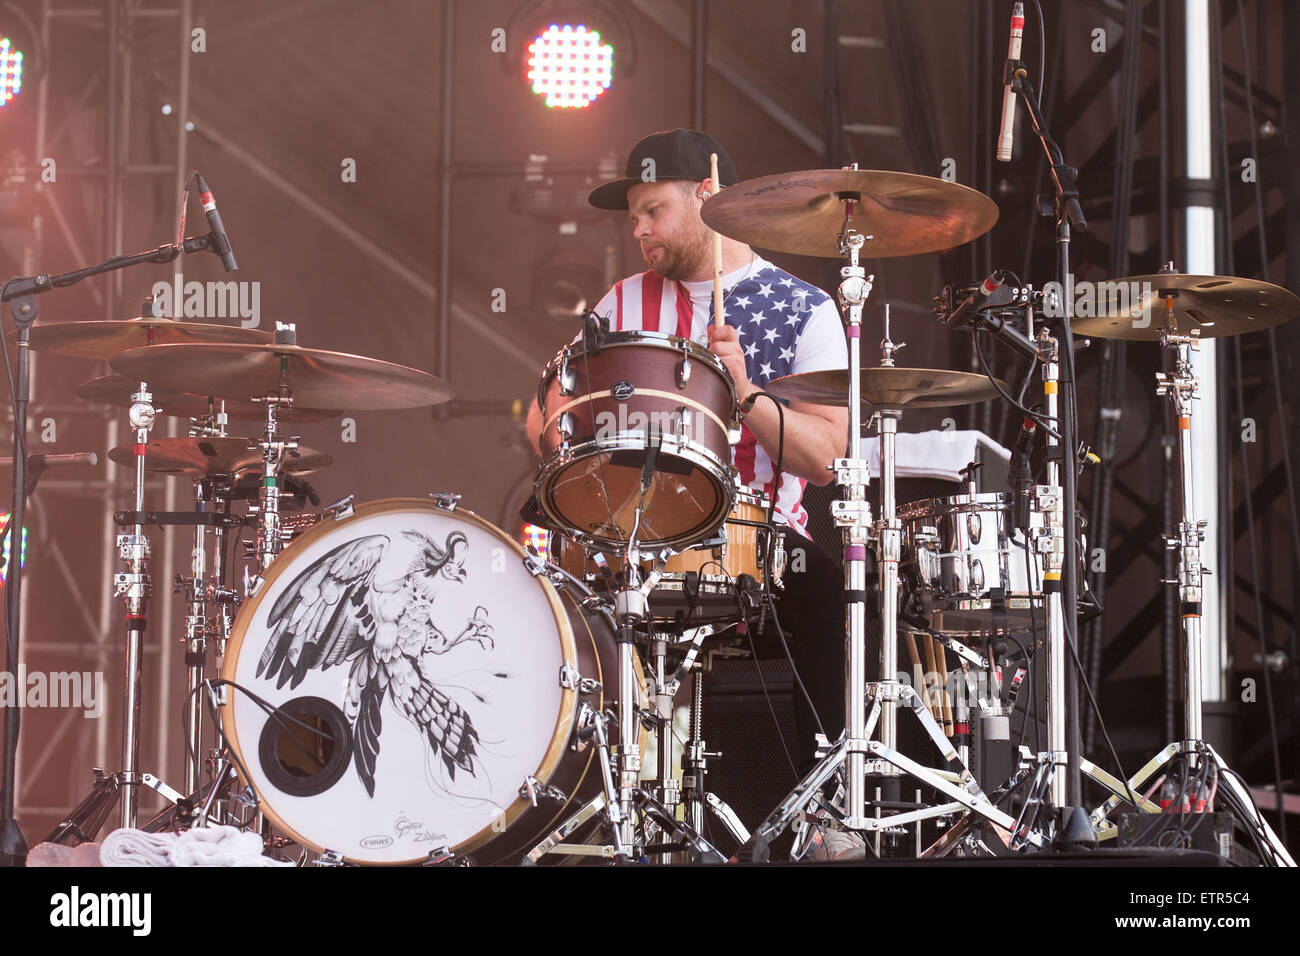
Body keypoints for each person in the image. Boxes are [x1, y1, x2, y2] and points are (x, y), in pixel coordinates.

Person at [525, 130, 860, 857]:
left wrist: (746, 393)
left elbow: (830, 457)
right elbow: (545, 411)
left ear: (707, 197)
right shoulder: (620, 302)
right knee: (546, 601)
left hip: (763, 552)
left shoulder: (802, 308)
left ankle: (823, 813)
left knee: (834, 594)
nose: (638, 228)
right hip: (637, 549)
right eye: (633, 217)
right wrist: (560, 443)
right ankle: (587, 807)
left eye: (652, 210)